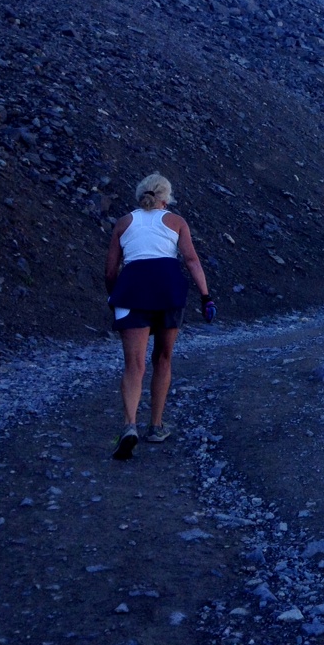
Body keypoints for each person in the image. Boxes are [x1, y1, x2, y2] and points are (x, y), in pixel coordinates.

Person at [104, 173, 213, 461]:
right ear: (167, 197)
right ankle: (156, 426)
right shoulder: (176, 222)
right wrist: (206, 296)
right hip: (168, 289)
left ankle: (129, 426)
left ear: (140, 194)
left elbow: (110, 270)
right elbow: (191, 260)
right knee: (163, 359)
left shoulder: (124, 222)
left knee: (134, 365)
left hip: (132, 290)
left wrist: (113, 295)